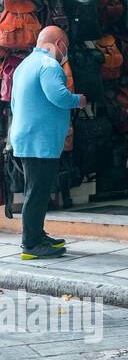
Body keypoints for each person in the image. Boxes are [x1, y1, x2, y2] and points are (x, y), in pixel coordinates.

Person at [8, 26, 86, 260]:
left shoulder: (25, 65)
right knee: (38, 191)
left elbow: (13, 102)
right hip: (39, 140)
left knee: (37, 189)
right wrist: (78, 100)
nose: (66, 52)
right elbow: (58, 96)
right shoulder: (49, 66)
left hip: (28, 137)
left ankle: (38, 235)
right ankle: (30, 244)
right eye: (67, 47)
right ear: (59, 43)